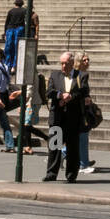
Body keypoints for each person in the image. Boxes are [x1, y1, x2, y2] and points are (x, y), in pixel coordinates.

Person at [43, 51, 89, 182]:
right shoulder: (55, 75)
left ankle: (71, 174)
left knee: (73, 148)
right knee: (54, 146)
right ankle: (51, 173)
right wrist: (60, 96)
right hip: (57, 117)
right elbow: (49, 92)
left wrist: (70, 97)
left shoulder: (81, 76)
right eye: (61, 63)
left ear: (72, 63)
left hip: (73, 118)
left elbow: (84, 92)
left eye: (66, 63)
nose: (63, 66)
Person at [76, 53, 97, 173]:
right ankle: (83, 164)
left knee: (81, 137)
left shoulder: (78, 74)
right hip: (81, 110)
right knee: (83, 136)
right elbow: (82, 91)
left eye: (88, 59)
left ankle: (83, 161)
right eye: (84, 60)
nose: (87, 62)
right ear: (79, 62)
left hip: (80, 109)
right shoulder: (82, 75)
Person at [3, 0, 27, 75]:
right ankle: (14, 66)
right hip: (19, 30)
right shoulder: (24, 11)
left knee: (9, 48)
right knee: (17, 48)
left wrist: (5, 33)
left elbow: (6, 23)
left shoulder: (11, 11)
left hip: (10, 30)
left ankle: (7, 65)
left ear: (15, 4)